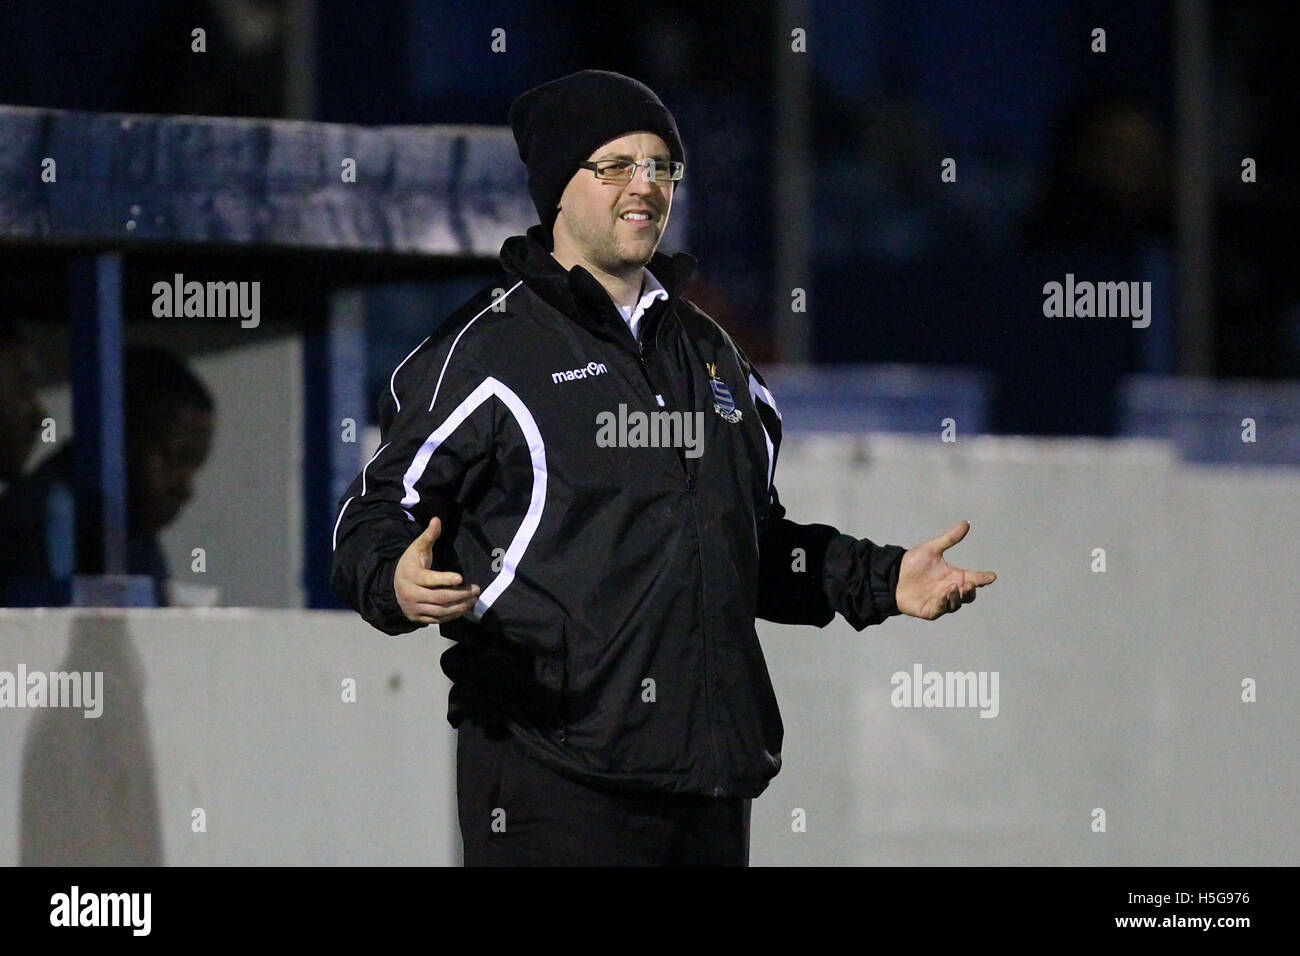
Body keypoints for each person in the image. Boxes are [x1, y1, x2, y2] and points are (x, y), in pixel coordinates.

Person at [330, 69, 997, 866]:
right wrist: (394, 582)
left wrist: (881, 580)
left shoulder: (715, 355)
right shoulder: (486, 353)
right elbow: (371, 516)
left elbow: (751, 547)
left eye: (661, 166)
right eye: (615, 165)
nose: (643, 185)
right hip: (552, 787)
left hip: (707, 790)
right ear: (557, 189)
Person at [0, 345, 215, 606]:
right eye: (174, 457)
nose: (185, 486)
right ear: (118, 436)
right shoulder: (43, 517)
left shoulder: (132, 529)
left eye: (195, 465)